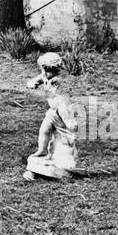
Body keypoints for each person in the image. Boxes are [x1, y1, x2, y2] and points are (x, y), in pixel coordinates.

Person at [24, 51, 80, 181]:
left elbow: (62, 102)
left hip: (62, 110)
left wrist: (69, 120)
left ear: (56, 70)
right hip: (53, 111)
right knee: (44, 129)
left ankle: (62, 163)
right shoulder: (45, 75)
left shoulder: (57, 80)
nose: (44, 73)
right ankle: (42, 150)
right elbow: (35, 80)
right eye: (43, 69)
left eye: (48, 70)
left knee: (64, 138)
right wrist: (32, 83)